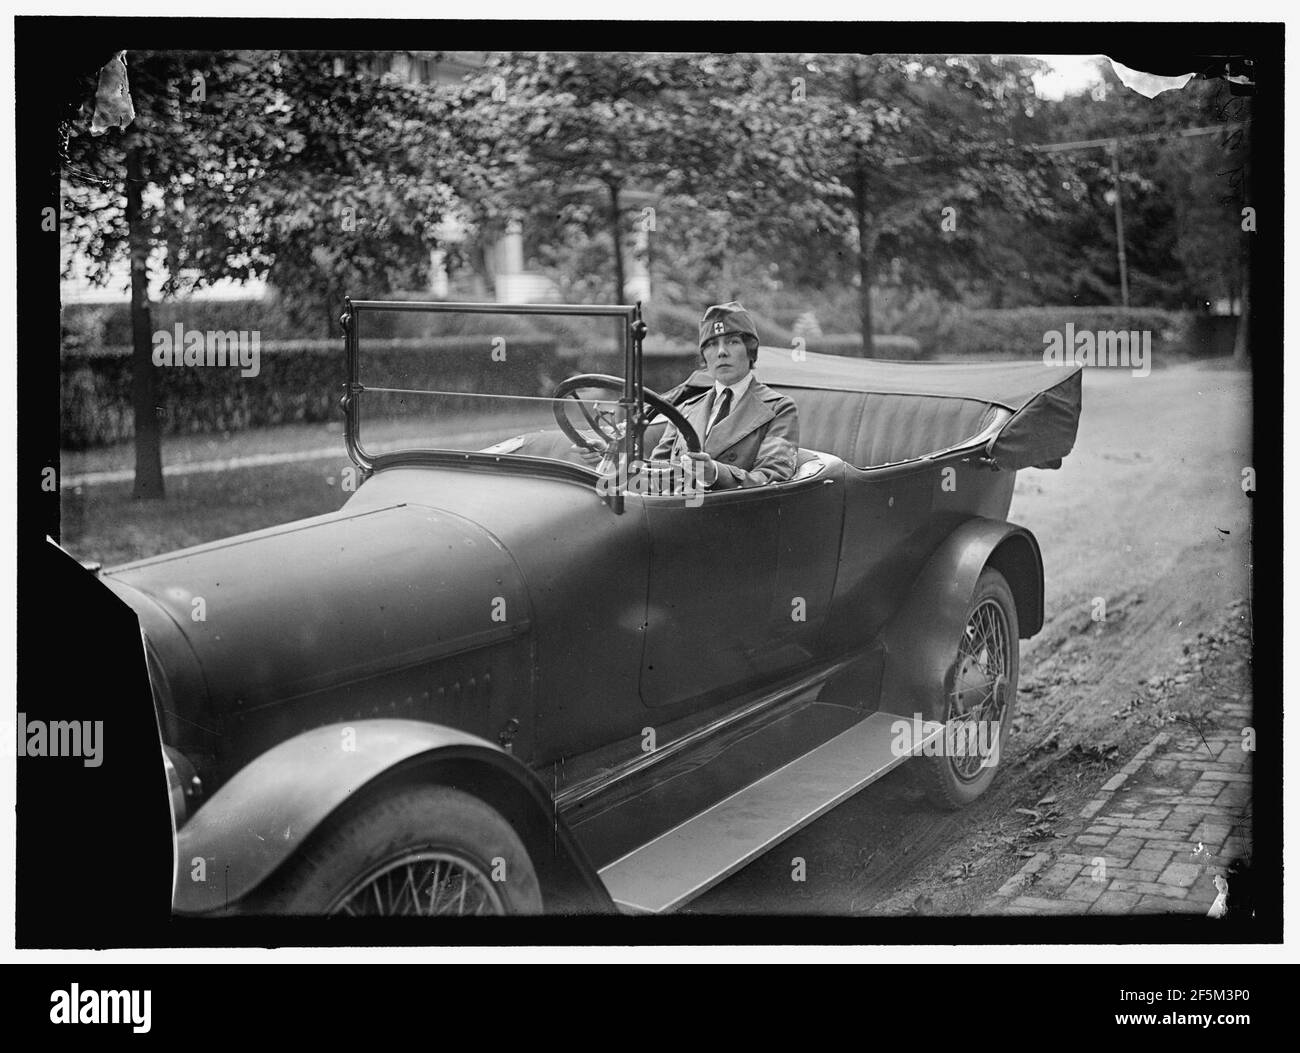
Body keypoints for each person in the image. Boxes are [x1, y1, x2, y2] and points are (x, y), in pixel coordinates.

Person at [648, 301, 799, 490]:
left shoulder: (779, 408)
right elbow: (654, 475)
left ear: (750, 351)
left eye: (732, 342)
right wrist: (607, 457)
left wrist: (716, 474)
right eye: (711, 344)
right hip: (677, 512)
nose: (721, 352)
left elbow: (773, 478)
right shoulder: (686, 409)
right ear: (704, 356)